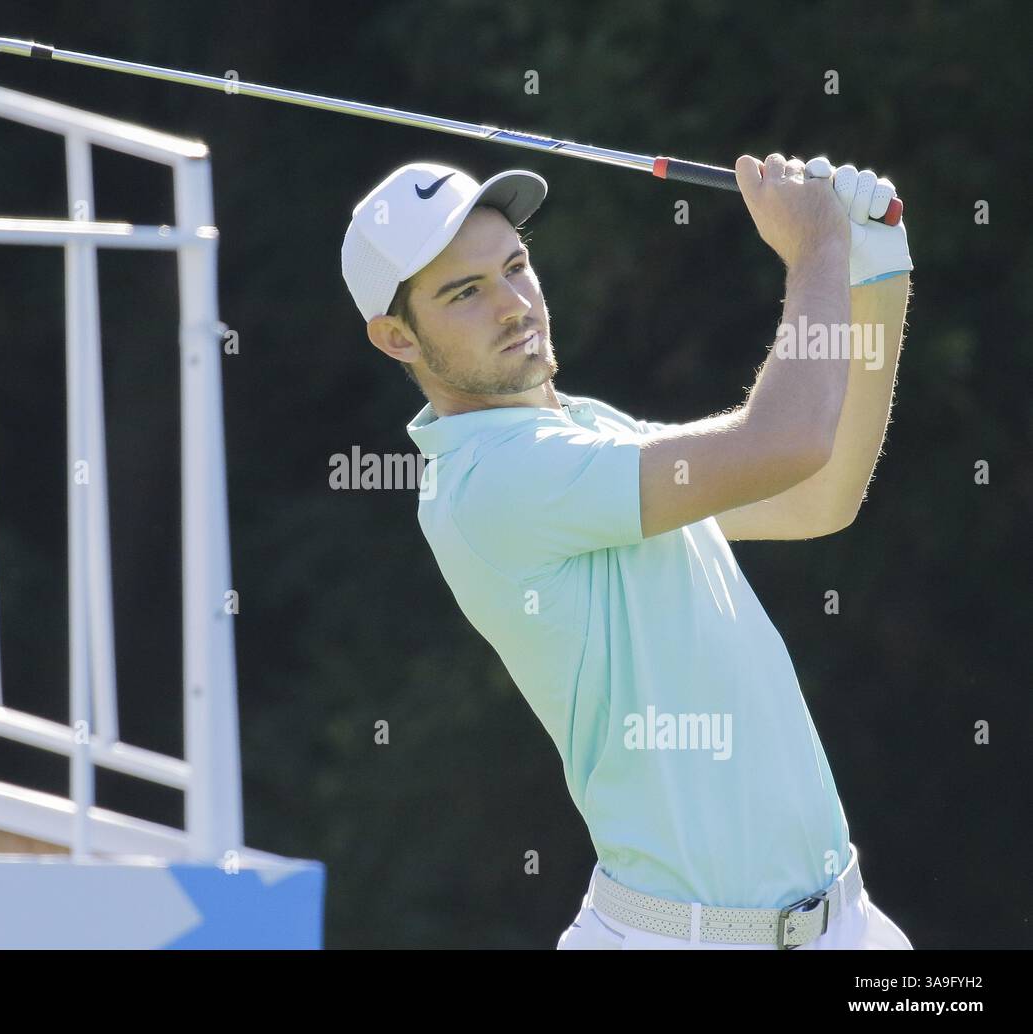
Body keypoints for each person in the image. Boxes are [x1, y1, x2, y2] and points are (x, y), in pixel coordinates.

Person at [339, 155, 915, 949]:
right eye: (465, 292)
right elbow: (785, 441)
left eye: (514, 266)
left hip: (844, 924)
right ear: (397, 336)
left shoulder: (585, 430)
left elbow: (817, 495)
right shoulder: (490, 479)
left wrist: (873, 271)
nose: (513, 305)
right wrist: (815, 249)